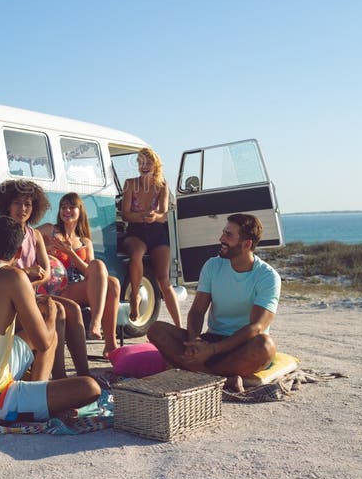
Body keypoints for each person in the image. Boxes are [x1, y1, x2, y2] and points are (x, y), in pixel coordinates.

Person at [0, 216, 100, 419]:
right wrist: (50, 315)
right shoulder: (13, 276)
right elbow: (43, 342)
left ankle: (36, 393)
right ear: (19, 252)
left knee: (39, 333)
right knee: (90, 387)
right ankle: (36, 400)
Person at [148, 214, 281, 392]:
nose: (221, 238)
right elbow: (197, 311)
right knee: (156, 329)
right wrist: (194, 342)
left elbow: (256, 327)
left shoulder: (267, 276)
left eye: (228, 235)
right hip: (211, 340)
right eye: (223, 232)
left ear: (247, 244)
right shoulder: (212, 265)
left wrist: (212, 350)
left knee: (265, 346)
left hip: (242, 345)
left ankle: (197, 372)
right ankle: (219, 380)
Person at [0, 179, 90, 377]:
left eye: (28, 204)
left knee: (73, 308)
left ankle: (84, 373)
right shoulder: (1, 231)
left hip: (31, 294)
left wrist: (31, 280)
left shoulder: (35, 234)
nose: (23, 209)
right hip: (9, 298)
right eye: (17, 203)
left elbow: (46, 272)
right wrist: (26, 275)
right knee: (57, 310)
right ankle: (59, 375)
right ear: (7, 205)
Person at [38, 192, 119, 357]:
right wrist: (44, 250)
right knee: (107, 278)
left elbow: (91, 273)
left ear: (80, 211)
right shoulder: (49, 230)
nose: (66, 210)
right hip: (55, 287)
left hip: (75, 286)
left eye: (71, 207)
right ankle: (98, 328)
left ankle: (108, 342)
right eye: (63, 207)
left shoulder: (85, 242)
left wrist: (71, 253)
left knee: (111, 281)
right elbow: (26, 239)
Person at [121, 147, 182, 327]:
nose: (144, 166)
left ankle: (179, 326)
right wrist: (142, 216)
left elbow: (163, 215)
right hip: (136, 232)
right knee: (136, 254)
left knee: (164, 280)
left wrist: (154, 216)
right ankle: (135, 295)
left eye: (148, 163)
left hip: (157, 232)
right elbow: (125, 215)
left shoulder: (162, 185)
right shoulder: (129, 184)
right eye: (141, 163)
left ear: (155, 165)